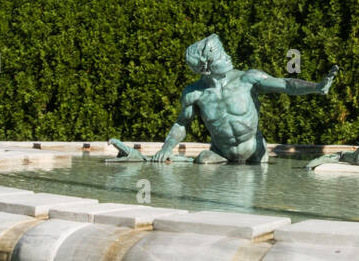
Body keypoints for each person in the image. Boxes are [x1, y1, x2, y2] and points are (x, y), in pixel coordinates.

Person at [119, 34, 336, 165]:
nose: (228, 56)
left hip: (254, 153)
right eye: (221, 56)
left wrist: (316, 87)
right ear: (205, 68)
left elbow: (286, 85)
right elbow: (181, 123)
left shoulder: (248, 78)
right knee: (202, 161)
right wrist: (167, 147)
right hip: (220, 153)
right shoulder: (194, 94)